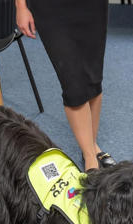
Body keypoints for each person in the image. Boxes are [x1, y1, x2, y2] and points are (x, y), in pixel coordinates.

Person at [14, 0, 117, 171]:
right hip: (50, 8)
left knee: (93, 78)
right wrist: (21, 7)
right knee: (73, 85)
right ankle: (90, 158)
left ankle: (92, 145)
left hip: (93, 7)